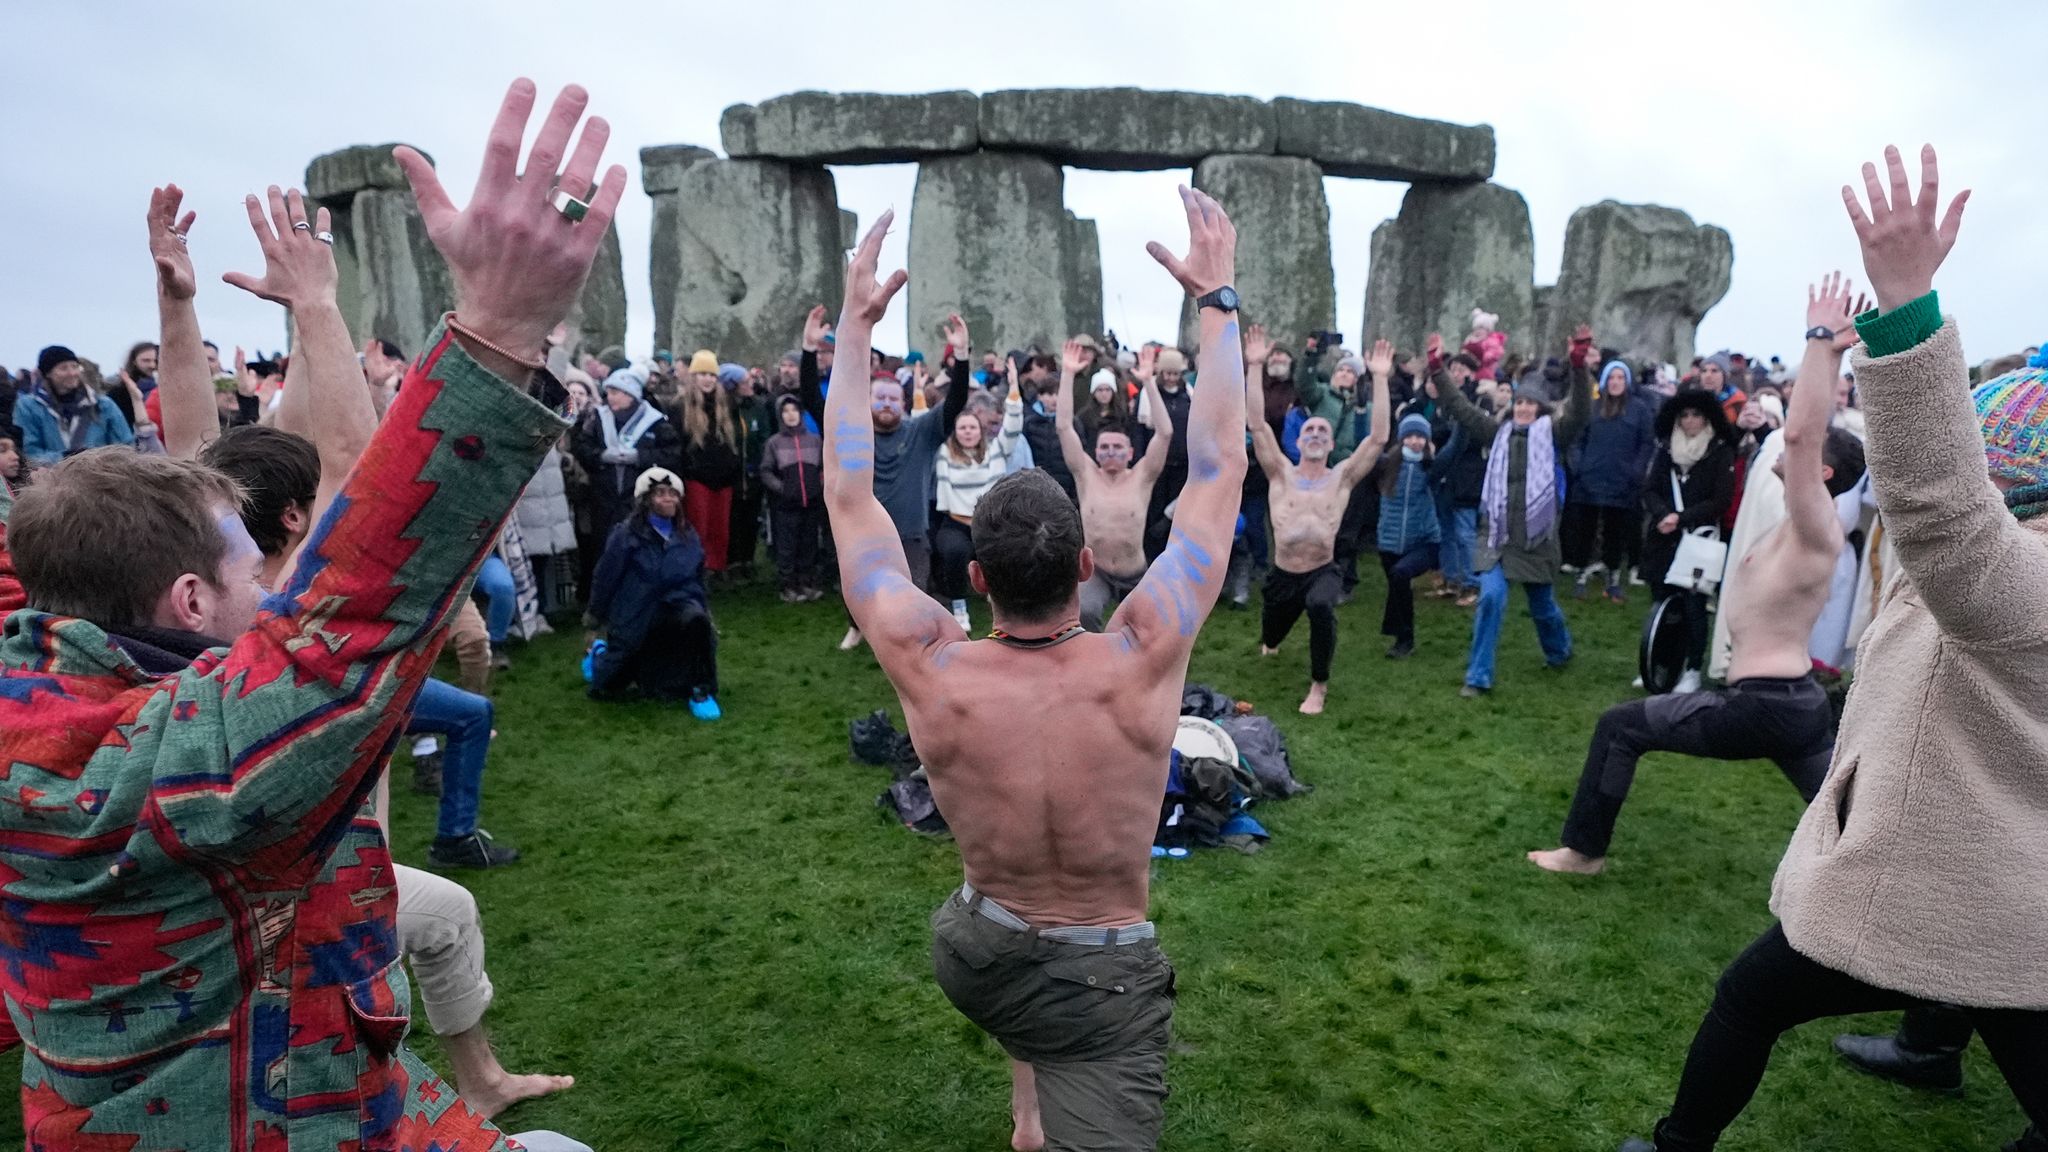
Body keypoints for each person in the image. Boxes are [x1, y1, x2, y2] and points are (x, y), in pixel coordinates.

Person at [0, 77, 617, 1151]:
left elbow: (190, 468)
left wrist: (180, 311)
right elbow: (362, 605)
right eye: (253, 570)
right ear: (191, 600)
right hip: (280, 1117)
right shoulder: (191, 770)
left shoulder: (41, 688)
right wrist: (501, 327)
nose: (275, 591)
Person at [1618, 144, 2046, 1152]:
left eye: (1988, 466)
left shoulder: (2016, 580)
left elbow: (1939, 507)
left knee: (1747, 998)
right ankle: (1930, 1046)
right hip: (1998, 878)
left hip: (1952, 881)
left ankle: (1675, 1146)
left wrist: (1903, 314)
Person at [826, 188, 1245, 1152]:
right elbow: (1220, 468)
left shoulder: (931, 661)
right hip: (1099, 977)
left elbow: (848, 494)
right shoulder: (1144, 652)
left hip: (979, 948)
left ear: (975, 578)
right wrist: (1216, 302)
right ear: (1087, 566)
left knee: (1025, 983)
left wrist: (854, 330)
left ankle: (1027, 1120)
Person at [1529, 274, 1870, 877]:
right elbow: (1795, 441)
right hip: (1794, 705)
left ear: (1821, 474)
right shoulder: (1794, 524)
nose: (1782, 451)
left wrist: (1822, 342)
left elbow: (1799, 434)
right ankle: (1892, 887)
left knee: (1620, 727)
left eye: (1798, 457)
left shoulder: (1817, 525)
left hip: (1763, 706)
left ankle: (1582, 854)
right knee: (1849, 822)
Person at [1434, 328, 1595, 696]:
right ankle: (1478, 677)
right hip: (1495, 533)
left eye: (1530, 404)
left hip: (1536, 537)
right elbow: (1461, 409)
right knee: (1490, 598)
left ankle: (1559, 651)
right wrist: (1437, 370)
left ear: (1540, 408)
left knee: (1543, 607)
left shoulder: (1554, 435)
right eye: (1519, 402)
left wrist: (1578, 365)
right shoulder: (1497, 433)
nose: (1523, 408)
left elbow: (1581, 410)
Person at [803, 305, 970, 651]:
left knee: (911, 602)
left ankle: (906, 649)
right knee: (857, 591)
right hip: (859, 533)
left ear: (903, 403)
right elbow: (813, 401)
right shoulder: (852, 431)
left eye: (893, 399)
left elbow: (955, 402)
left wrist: (962, 358)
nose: (886, 404)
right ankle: (856, 628)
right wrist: (808, 350)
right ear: (867, 401)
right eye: (879, 398)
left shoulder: (922, 431)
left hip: (910, 534)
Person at [1247, 336, 1392, 715]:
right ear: (1298, 441)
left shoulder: (1341, 478)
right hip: (1283, 574)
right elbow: (1257, 425)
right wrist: (1255, 366)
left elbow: (1378, 438)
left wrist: (1379, 378)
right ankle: (1272, 640)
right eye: (1309, 431)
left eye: (1323, 433)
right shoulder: (1281, 474)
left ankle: (1318, 687)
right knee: (1271, 633)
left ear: (1331, 446)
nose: (1315, 435)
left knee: (1321, 606)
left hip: (1321, 570)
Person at [1056, 339, 1174, 632]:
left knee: (1149, 628)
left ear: (1130, 453)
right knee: (1084, 613)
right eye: (1105, 447)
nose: (1111, 452)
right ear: (1095, 452)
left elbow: (1165, 433)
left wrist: (1149, 382)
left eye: (1118, 447)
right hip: (1095, 571)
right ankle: (1098, 653)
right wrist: (1067, 375)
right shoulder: (1085, 474)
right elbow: (1063, 427)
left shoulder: (1142, 476)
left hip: (1135, 572)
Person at [585, 466, 721, 718]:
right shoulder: (625, 535)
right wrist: (595, 617)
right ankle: (600, 654)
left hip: (677, 606)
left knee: (697, 622)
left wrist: (704, 609)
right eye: (660, 493)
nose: (668, 498)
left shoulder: (687, 535)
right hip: (637, 612)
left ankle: (701, 689)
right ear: (646, 500)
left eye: (672, 493)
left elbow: (697, 578)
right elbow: (606, 577)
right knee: (608, 687)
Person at [1640, 390, 1738, 694]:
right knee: (1662, 602)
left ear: (1707, 419)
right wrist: (1663, 515)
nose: (1690, 421)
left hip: (1698, 539)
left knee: (1694, 607)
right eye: (1684, 415)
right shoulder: (1666, 449)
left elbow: (1720, 499)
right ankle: (1661, 662)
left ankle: (1693, 667)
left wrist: (1681, 518)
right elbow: (1650, 488)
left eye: (1696, 415)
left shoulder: (1720, 452)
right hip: (1664, 538)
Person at [932, 369, 1025, 631]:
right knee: (954, 551)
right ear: (955, 431)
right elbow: (923, 425)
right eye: (962, 427)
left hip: (990, 521)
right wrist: (918, 393)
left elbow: (1013, 427)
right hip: (956, 523)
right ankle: (959, 607)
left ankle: (1000, 598)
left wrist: (1014, 391)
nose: (967, 432)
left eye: (972, 427)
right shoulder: (944, 453)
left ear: (980, 430)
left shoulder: (997, 450)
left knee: (1007, 549)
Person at [1564, 359, 1656, 603]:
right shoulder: (1592, 408)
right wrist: (1579, 466)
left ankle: (1613, 578)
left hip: (1623, 481)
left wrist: (1636, 471)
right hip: (1590, 478)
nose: (1615, 382)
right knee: (1585, 530)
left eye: (1620, 377)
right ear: (1604, 381)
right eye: (1611, 377)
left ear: (1627, 381)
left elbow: (1646, 443)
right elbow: (1576, 440)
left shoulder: (1639, 410)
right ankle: (1581, 574)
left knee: (1616, 532)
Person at [674, 349, 744, 575]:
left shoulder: (727, 404)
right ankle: (696, 568)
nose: (708, 379)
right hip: (696, 477)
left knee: (720, 528)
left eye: (712, 375)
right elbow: (679, 445)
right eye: (703, 374)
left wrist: (733, 467)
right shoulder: (680, 406)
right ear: (694, 376)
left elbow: (735, 441)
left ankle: (717, 568)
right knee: (698, 526)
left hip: (723, 477)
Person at [1377, 412, 1441, 658]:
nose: (1415, 441)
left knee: (1401, 574)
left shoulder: (1431, 467)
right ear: (1402, 438)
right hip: (1389, 541)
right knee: (1397, 587)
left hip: (1424, 542)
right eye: (1410, 436)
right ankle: (1402, 638)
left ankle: (1404, 639)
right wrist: (1362, 414)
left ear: (1427, 440)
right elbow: (1365, 448)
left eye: (1420, 436)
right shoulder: (1386, 464)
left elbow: (1455, 450)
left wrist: (1461, 423)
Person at [17, 344, 134, 465]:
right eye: (63, 368)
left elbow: (125, 445)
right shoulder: (30, 406)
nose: (72, 373)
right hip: (52, 474)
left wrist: (102, 461)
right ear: (48, 373)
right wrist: (64, 457)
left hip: (99, 472)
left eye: (75, 366)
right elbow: (29, 451)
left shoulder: (102, 405)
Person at [761, 391, 827, 602]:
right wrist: (783, 489)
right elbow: (766, 471)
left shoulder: (815, 441)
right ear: (780, 415)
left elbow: (825, 467)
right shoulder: (774, 443)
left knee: (809, 544)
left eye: (794, 410)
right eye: (786, 411)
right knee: (787, 546)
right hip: (786, 505)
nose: (790, 415)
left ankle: (806, 582)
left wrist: (818, 485)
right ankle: (788, 585)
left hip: (812, 502)